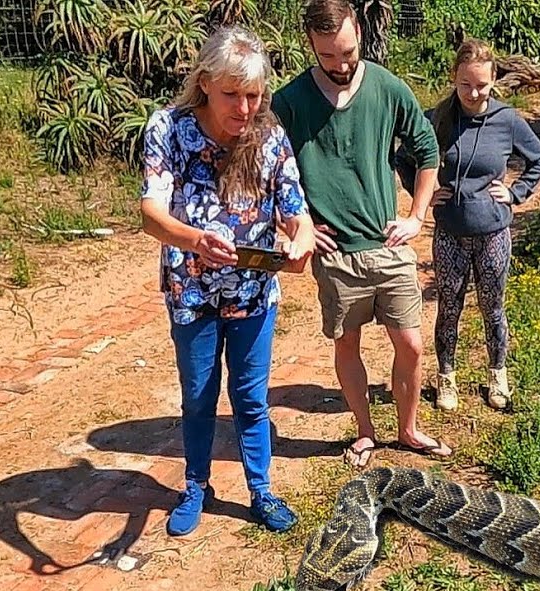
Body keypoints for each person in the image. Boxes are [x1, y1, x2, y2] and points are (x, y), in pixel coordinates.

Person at [138, 26, 316, 536]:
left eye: (254, 96)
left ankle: (261, 490)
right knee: (198, 395)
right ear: (205, 84)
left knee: (252, 397)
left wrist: (299, 240)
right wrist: (193, 240)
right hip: (190, 291)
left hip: (253, 292)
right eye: (232, 95)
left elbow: (294, 210)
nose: (244, 108)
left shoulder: (269, 135)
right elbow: (151, 213)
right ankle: (196, 486)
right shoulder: (167, 129)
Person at [271, 0, 452, 468]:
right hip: (335, 257)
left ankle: (408, 429)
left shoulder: (388, 88)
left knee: (410, 343)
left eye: (348, 52)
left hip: (388, 246)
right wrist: (299, 225)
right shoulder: (289, 103)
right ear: (310, 45)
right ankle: (365, 432)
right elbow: (266, 171)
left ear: (360, 35)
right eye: (328, 56)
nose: (340, 65)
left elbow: (427, 151)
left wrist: (416, 216)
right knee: (346, 343)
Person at [398, 39, 540, 411]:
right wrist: (425, 194)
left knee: (492, 308)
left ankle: (498, 374)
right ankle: (446, 378)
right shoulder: (437, 118)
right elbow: (404, 157)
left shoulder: (507, 120)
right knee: (449, 307)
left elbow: (539, 159)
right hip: (449, 233)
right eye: (465, 84)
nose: (473, 92)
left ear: (494, 78)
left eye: (481, 84)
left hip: (493, 234)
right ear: (454, 77)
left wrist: (515, 194)